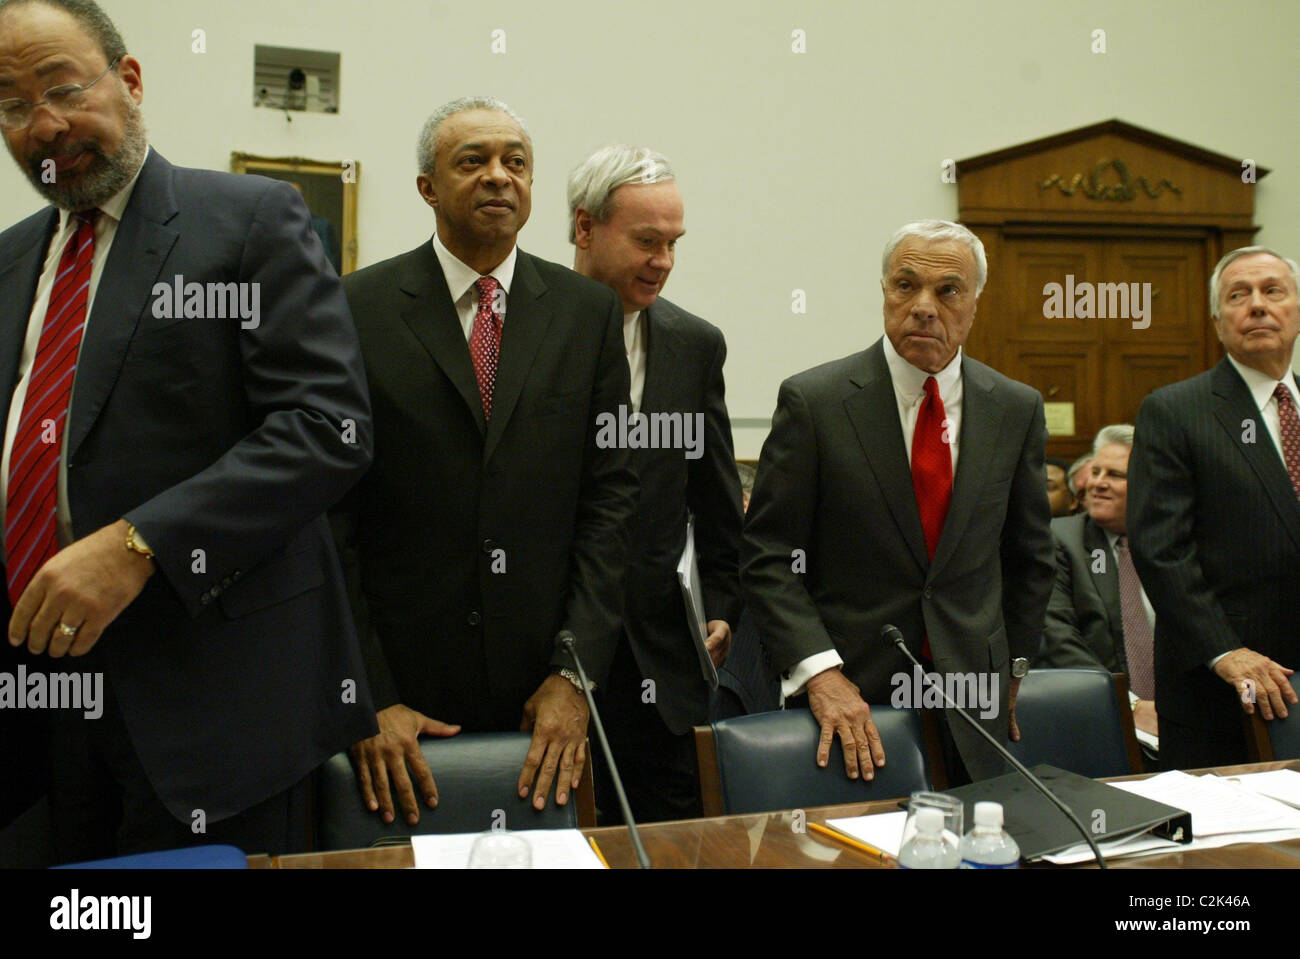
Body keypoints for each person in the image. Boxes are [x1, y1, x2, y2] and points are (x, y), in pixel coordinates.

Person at [0, 0, 376, 862]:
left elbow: (328, 428)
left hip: (211, 711)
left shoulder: (249, 219)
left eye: (63, 89)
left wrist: (137, 545)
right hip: (39, 708)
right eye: (14, 106)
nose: (45, 126)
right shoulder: (11, 258)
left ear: (129, 81)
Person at [334, 97, 638, 826]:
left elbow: (611, 503)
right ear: (427, 187)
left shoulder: (586, 312)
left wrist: (574, 676)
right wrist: (368, 691)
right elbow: (330, 514)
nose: (499, 176)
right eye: (473, 161)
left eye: (516, 161)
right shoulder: (355, 307)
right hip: (401, 700)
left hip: (544, 694)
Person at [743, 219, 1054, 783]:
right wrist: (819, 672)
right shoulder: (816, 402)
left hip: (973, 698)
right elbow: (768, 556)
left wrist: (1012, 667)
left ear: (975, 303)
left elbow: (1030, 556)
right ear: (885, 291)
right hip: (847, 694)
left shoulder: (1015, 408)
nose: (923, 306)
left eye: (947, 290)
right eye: (905, 285)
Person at [568, 144, 742, 823]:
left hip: (663, 665)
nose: (664, 260)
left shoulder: (695, 344)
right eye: (647, 240)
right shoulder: (531, 330)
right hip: (554, 656)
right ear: (585, 229)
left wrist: (724, 600)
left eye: (673, 243)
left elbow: (716, 492)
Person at [1129, 246, 1300, 769]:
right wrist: (1225, 651)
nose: (1257, 306)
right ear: (1217, 320)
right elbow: (1162, 551)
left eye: (1273, 291)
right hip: (1220, 688)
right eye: (1238, 295)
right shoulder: (1177, 410)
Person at [1039, 425, 1158, 752]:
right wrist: (1129, 705)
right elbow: (1056, 637)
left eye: (1115, 474)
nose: (1097, 483)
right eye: (1095, 471)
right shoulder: (1058, 539)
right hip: (1097, 717)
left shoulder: (1173, 540)